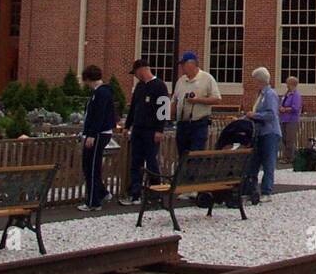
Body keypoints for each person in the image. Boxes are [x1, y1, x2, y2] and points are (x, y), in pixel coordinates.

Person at [118, 59, 169, 206]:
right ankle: (135, 193)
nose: (136, 76)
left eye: (136, 73)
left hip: (152, 130)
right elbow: (134, 107)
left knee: (152, 161)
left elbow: (163, 109)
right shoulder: (139, 87)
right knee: (136, 162)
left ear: (142, 70)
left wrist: (160, 129)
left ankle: (155, 192)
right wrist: (128, 126)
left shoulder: (159, 86)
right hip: (138, 129)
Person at [77, 65, 115, 212]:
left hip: (98, 134)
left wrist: (91, 134)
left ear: (88, 79)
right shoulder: (100, 92)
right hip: (98, 133)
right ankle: (102, 192)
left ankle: (93, 201)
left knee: (92, 166)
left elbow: (98, 115)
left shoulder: (101, 93)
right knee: (89, 165)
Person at [172, 51, 221, 155]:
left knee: (195, 154)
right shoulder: (181, 81)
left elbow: (216, 99)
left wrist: (198, 100)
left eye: (183, 64)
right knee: (182, 154)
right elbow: (174, 100)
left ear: (191, 64)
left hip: (198, 124)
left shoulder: (207, 78)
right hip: (182, 124)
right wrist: (170, 118)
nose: (181, 67)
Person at [245, 66, 281, 201]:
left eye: (255, 80)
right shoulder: (260, 95)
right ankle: (251, 190)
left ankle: (267, 191)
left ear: (260, 81)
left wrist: (255, 115)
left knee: (268, 162)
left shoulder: (270, 94)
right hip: (259, 133)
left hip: (269, 132)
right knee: (254, 162)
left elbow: (271, 114)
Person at [279, 75, 302, 164]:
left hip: (292, 120)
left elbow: (296, 108)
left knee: (290, 139)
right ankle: (288, 156)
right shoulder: (287, 94)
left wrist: (285, 109)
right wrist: (280, 107)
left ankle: (289, 158)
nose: (286, 85)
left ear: (292, 84)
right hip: (284, 119)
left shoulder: (296, 95)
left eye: (288, 83)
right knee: (284, 139)